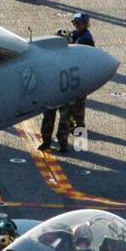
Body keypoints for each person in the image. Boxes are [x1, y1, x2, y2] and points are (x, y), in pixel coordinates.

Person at [39, 12, 95, 152]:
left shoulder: (81, 45)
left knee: (67, 118)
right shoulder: (52, 54)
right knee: (50, 118)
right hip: (55, 90)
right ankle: (47, 141)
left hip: (66, 91)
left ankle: (65, 142)